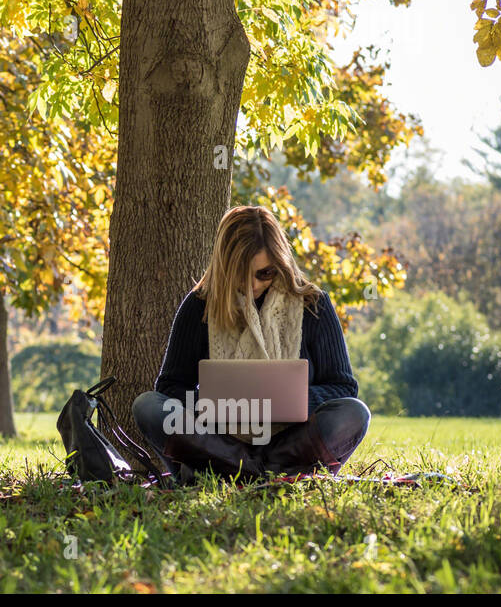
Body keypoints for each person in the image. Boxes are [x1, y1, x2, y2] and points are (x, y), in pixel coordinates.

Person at [132, 205, 371, 483]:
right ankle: (270, 474)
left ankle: (233, 473)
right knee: (148, 406)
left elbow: (343, 388)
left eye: (264, 273)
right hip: (220, 437)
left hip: (292, 439)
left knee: (354, 413)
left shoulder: (313, 304)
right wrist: (212, 405)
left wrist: (290, 402)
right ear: (225, 266)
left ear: (280, 263)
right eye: (241, 273)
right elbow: (170, 388)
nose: (253, 284)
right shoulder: (199, 306)